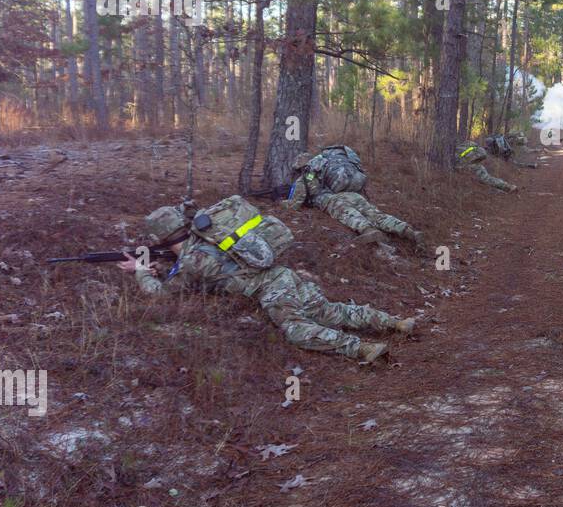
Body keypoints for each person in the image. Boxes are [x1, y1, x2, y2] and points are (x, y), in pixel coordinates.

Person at [120, 201, 412, 364]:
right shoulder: (209, 234)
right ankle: (395, 323)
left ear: (163, 238)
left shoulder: (190, 263)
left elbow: (162, 295)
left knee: (296, 330)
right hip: (284, 274)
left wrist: (141, 270)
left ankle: (360, 348)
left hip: (270, 288)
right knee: (328, 311)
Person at [285, 145, 424, 252]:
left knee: (347, 213)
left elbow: (295, 203)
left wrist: (283, 205)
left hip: (330, 199)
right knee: (375, 214)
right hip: (352, 193)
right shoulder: (327, 163)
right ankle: (408, 231)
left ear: (300, 167)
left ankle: (368, 230)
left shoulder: (307, 174)